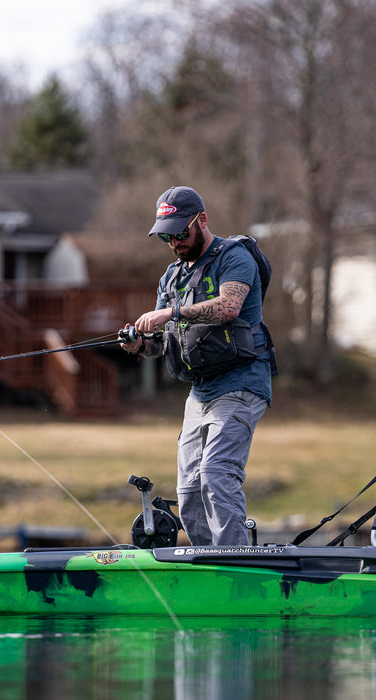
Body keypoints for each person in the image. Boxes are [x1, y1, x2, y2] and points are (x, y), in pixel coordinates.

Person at [122, 186, 272, 546]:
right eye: (166, 237)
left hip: (241, 383)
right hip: (200, 392)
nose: (174, 242)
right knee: (188, 491)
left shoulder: (235, 257)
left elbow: (228, 308)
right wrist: (139, 344)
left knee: (217, 474)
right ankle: (208, 563)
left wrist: (170, 312)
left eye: (179, 232)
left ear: (200, 221)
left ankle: (235, 566)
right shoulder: (171, 278)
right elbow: (160, 344)